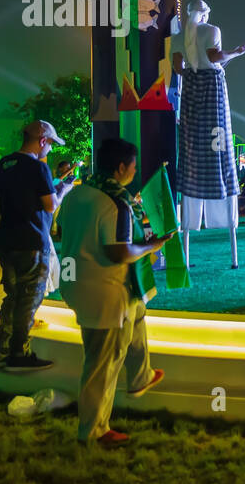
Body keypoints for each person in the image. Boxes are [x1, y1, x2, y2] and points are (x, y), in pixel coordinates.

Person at [58, 138, 170, 448]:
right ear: (121, 168)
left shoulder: (77, 192)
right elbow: (120, 252)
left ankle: (140, 376)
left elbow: (63, 232)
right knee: (102, 364)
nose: (135, 172)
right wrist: (152, 245)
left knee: (138, 314)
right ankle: (93, 431)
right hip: (105, 291)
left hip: (77, 281)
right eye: (133, 167)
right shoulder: (116, 203)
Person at [0, 120, 64, 371]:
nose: (51, 149)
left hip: (6, 238)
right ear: (42, 140)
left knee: (12, 296)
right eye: (51, 143)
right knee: (28, 299)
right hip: (31, 240)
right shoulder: (38, 168)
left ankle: (1, 350)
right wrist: (62, 190)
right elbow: (50, 205)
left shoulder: (4, 164)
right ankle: (19, 354)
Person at [176, 0, 245, 268]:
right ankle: (231, 246)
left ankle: (187, 240)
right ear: (205, 14)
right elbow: (215, 56)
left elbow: (177, 67)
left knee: (192, 148)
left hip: (191, 89)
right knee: (220, 147)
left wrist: (196, 72)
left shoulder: (181, 35)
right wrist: (236, 53)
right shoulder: (211, 30)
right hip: (213, 90)